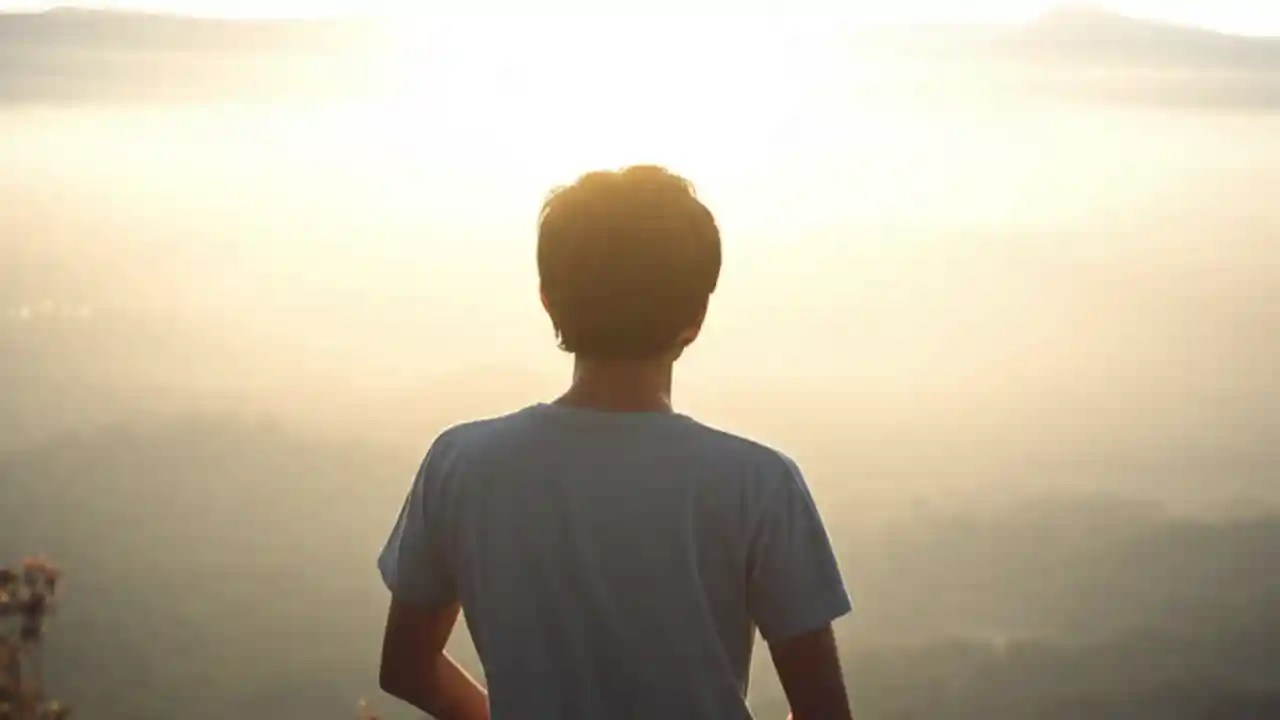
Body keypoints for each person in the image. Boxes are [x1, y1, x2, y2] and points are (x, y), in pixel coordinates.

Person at [377, 166, 853, 719]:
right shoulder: (758, 484)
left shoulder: (461, 464)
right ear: (696, 316)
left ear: (548, 299)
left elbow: (407, 668)